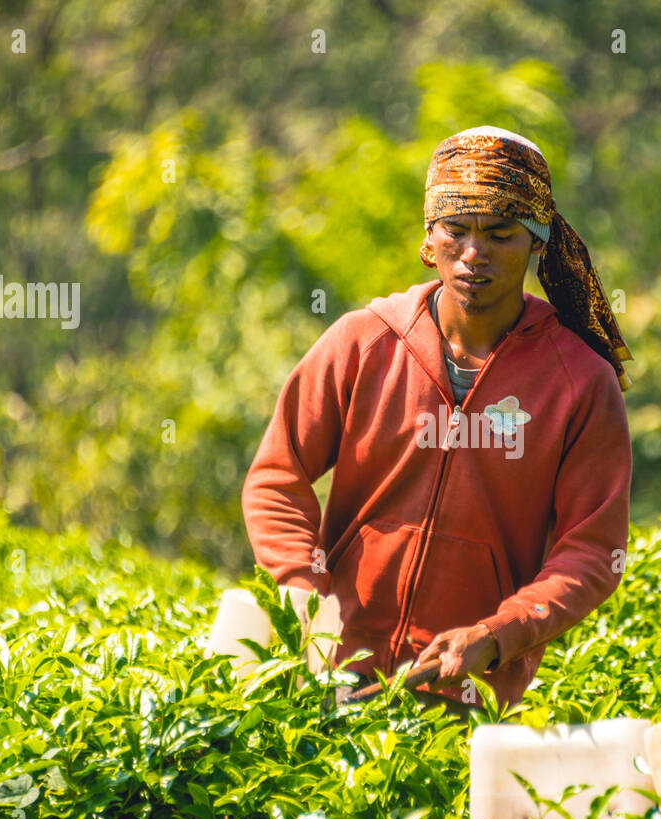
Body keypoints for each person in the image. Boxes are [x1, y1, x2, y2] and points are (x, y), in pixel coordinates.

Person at [242, 125, 634, 716]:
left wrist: (499, 634)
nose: (474, 255)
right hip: (327, 679)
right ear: (430, 238)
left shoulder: (578, 381)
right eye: (456, 231)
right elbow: (277, 476)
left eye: (501, 235)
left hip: (465, 699)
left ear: (538, 242)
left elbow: (591, 550)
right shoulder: (362, 342)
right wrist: (302, 585)